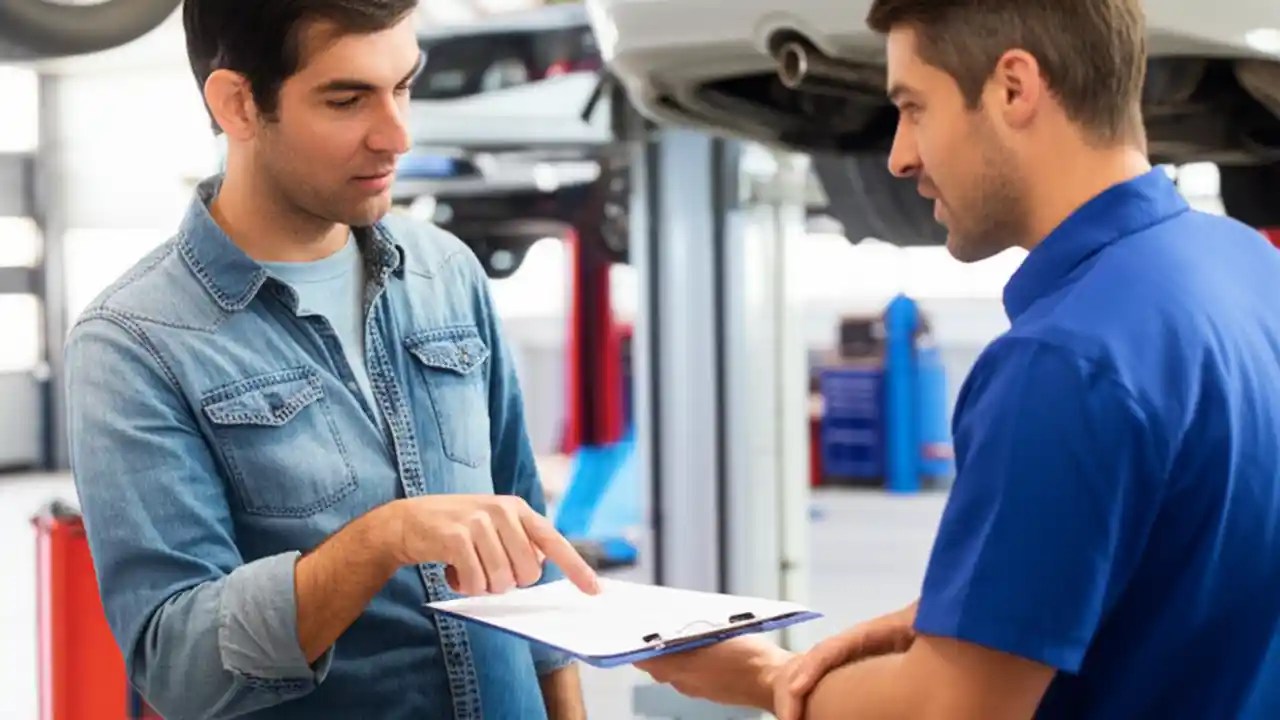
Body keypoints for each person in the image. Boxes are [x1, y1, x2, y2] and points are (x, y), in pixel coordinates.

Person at [635, 1, 1280, 718]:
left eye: (915, 108)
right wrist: (958, 618)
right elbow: (1191, 569)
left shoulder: (1062, 360)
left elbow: (949, 711)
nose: (900, 156)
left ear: (1013, 88)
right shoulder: (1247, 267)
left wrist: (757, 675)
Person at [63, 1, 599, 718]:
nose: (396, 136)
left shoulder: (446, 273)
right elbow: (180, 666)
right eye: (347, 100)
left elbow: (531, 546)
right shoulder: (134, 341)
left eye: (403, 86)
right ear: (239, 104)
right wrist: (381, 540)